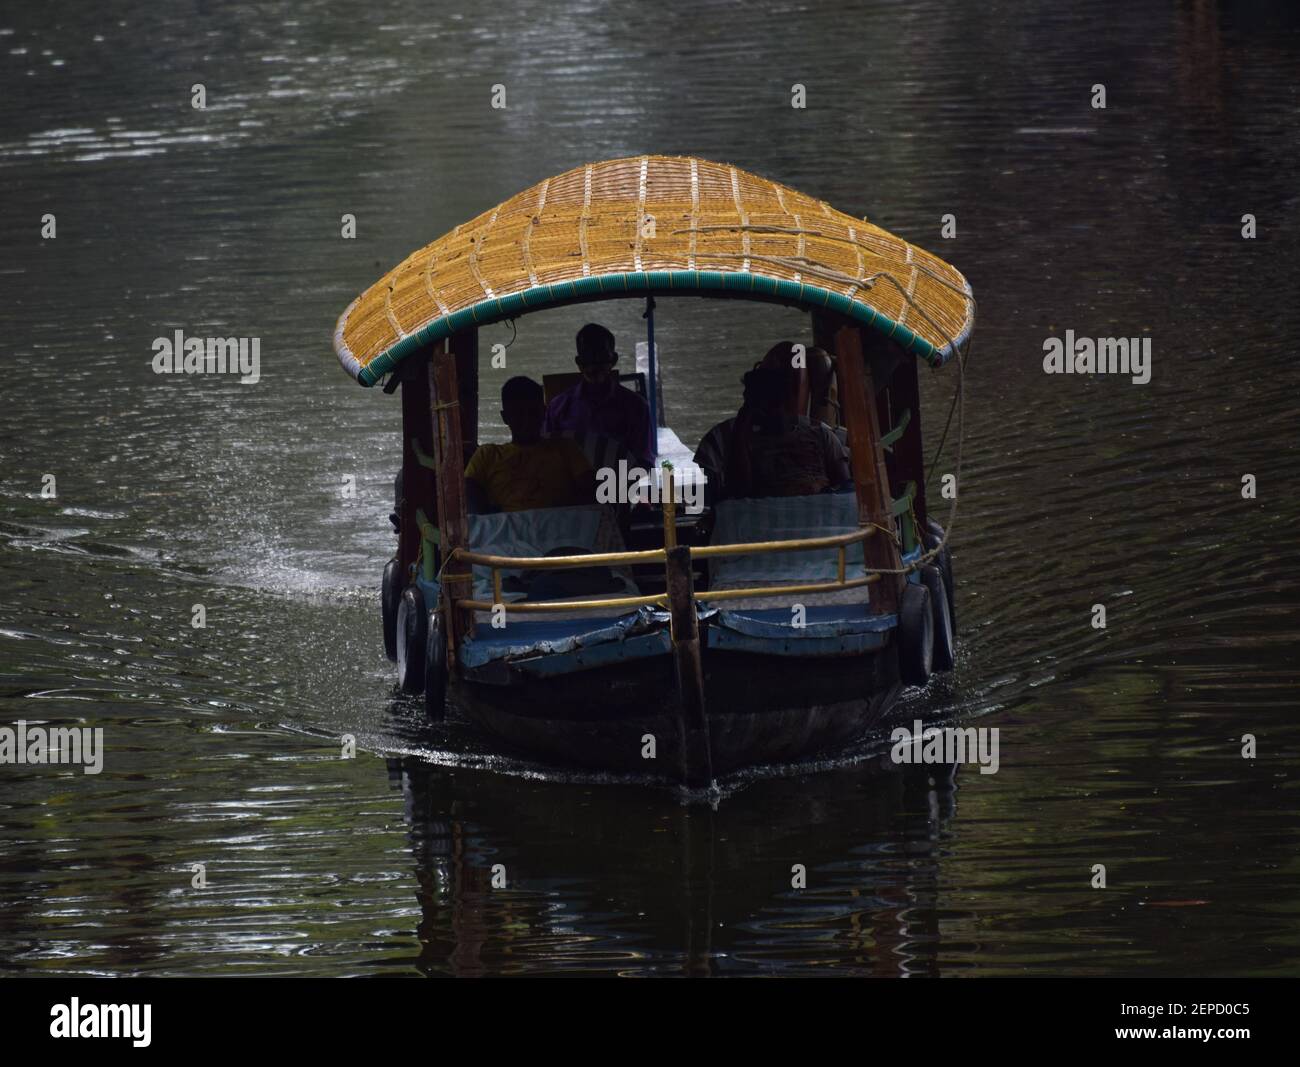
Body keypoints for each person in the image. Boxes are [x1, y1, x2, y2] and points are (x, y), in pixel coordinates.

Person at [694, 348, 850, 501]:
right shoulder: (725, 440)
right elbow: (738, 495)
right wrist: (741, 433)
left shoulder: (821, 436)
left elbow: (846, 491)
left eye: (776, 401)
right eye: (764, 401)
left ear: (789, 398)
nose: (772, 410)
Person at [465, 376, 594, 513]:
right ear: (505, 417)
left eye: (532, 413)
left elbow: (590, 487)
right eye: (518, 414)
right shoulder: (487, 454)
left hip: (558, 527)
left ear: (544, 413)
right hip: (505, 528)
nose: (527, 421)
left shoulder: (565, 448)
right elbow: (468, 489)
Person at [543, 323, 655, 466]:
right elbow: (547, 454)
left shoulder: (636, 407)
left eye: (601, 356)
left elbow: (644, 460)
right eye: (588, 357)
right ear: (579, 362)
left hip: (620, 485)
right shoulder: (557, 407)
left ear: (613, 360)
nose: (594, 365)